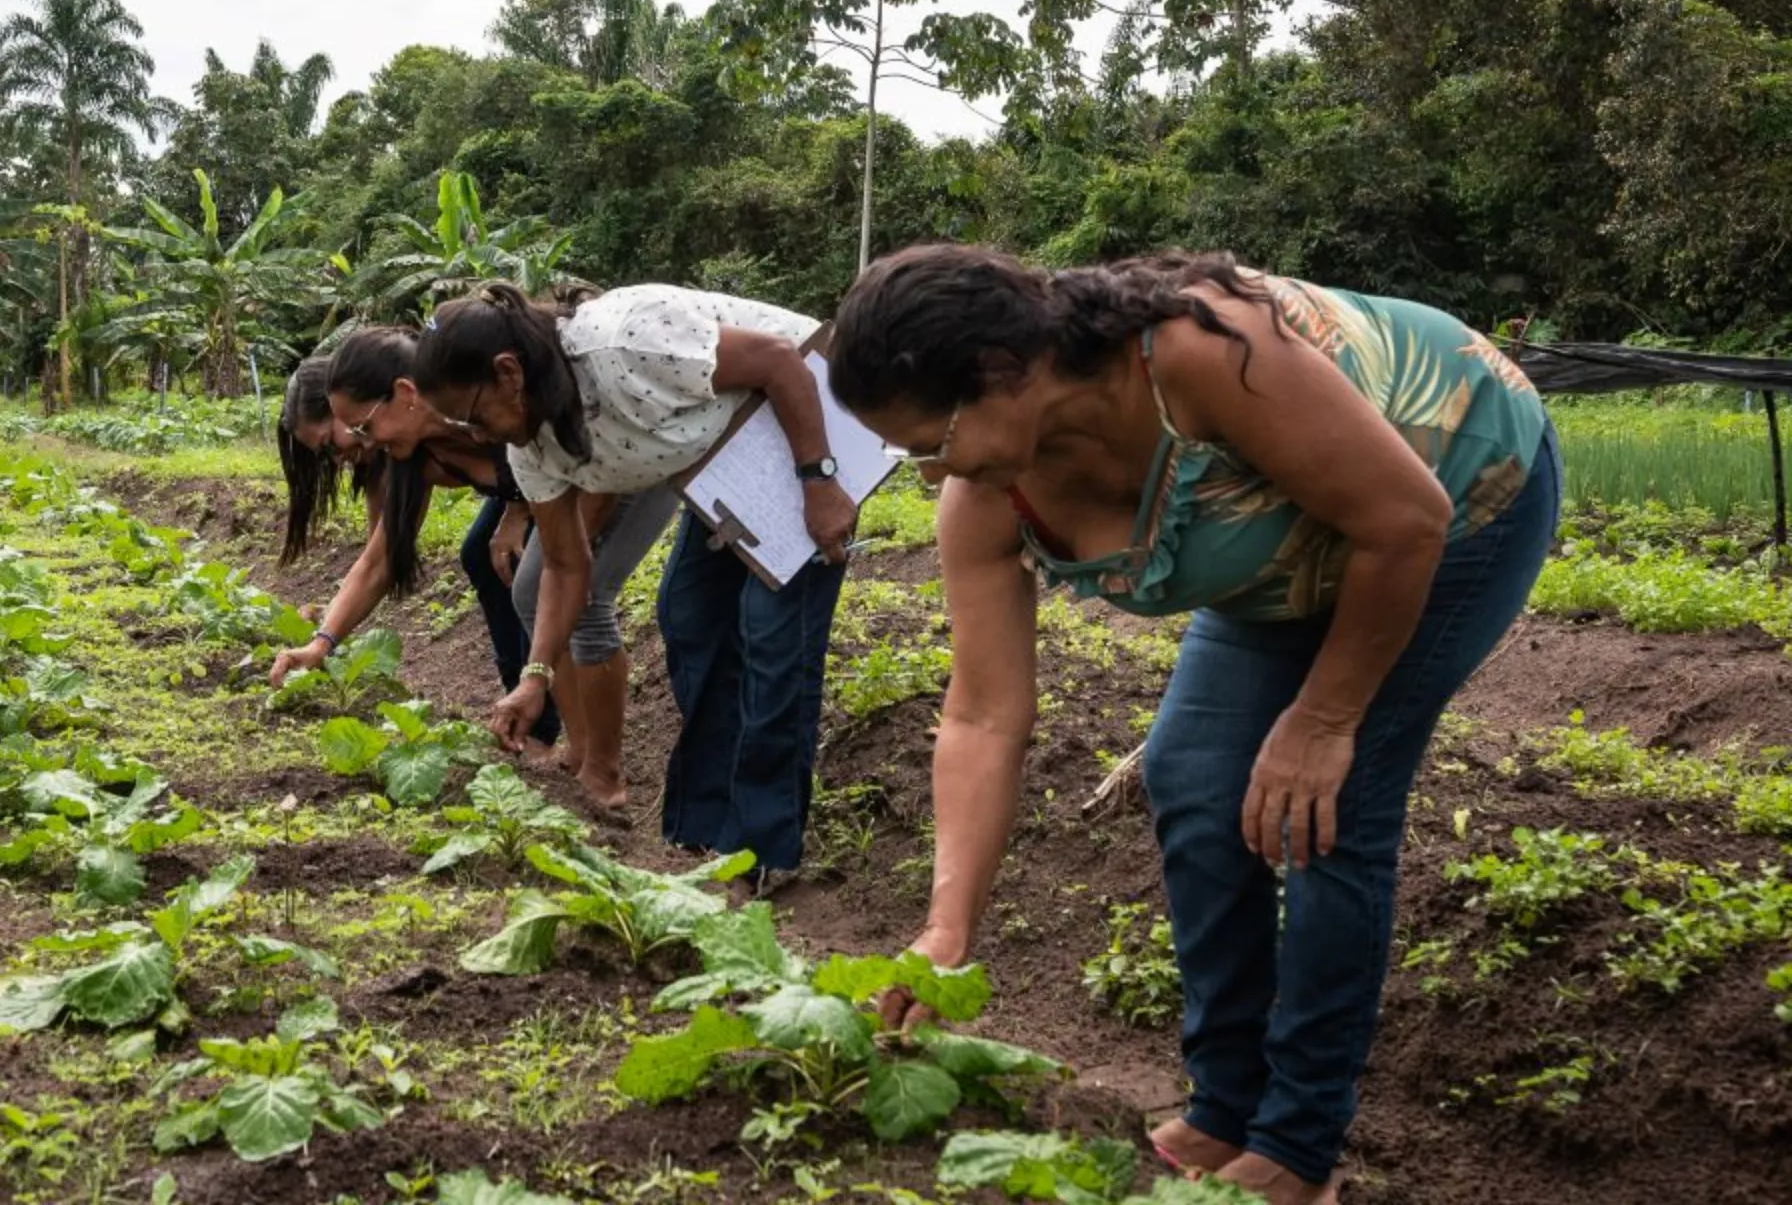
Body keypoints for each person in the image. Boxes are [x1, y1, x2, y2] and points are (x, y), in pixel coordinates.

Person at [827, 247, 1557, 1205]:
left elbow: (1401, 521)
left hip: (1454, 487)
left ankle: (1299, 1146)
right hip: (1286, 550)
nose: (931, 473)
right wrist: (947, 926)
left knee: (1325, 808)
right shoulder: (987, 498)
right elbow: (982, 713)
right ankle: (1225, 1106)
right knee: (1195, 779)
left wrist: (1324, 717)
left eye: (934, 441)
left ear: (1005, 373)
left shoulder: (1199, 355)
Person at [410, 284, 858, 879]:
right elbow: (568, 567)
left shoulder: (624, 343)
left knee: (773, 635)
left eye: (473, 416)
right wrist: (534, 678)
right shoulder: (531, 448)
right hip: (724, 465)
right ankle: (699, 833)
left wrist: (820, 480)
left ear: (508, 372)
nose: (476, 436)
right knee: (689, 616)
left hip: (809, 419)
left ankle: (765, 849)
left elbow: (779, 360)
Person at [295, 328, 682, 806]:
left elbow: (579, 507)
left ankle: (604, 772)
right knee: (531, 591)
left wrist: (534, 537)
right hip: (570, 481)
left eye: (363, 426)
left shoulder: (489, 408)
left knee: (581, 597)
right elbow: (380, 560)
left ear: (405, 395)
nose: (359, 445)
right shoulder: (416, 454)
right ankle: (580, 751)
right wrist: (321, 644)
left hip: (625, 465)